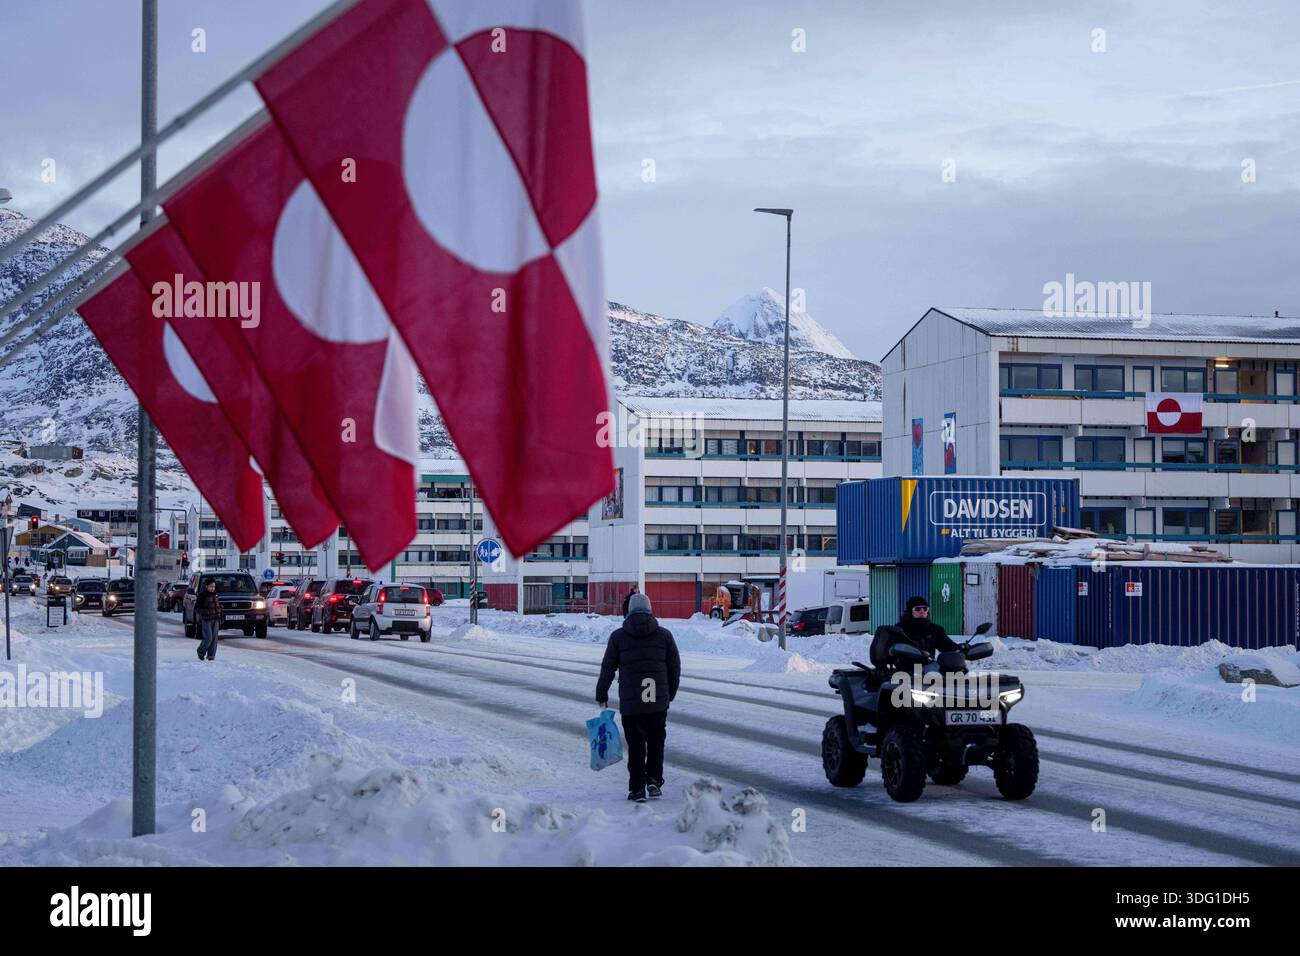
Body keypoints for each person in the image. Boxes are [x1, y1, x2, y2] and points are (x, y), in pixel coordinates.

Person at [596, 593, 680, 803]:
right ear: (650, 610)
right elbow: (674, 668)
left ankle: (637, 789)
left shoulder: (618, 637)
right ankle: (653, 780)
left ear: (629, 611)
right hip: (657, 702)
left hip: (632, 704)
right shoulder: (664, 635)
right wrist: (670, 694)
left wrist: (601, 693)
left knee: (635, 746)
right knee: (656, 742)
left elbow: (608, 667)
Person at [195, 578, 222, 661]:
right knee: (208, 638)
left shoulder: (216, 595)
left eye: (214, 586)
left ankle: (211, 656)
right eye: (211, 586)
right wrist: (205, 612)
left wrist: (221, 615)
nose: (213, 588)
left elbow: (218, 607)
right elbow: (197, 608)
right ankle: (201, 651)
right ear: (206, 586)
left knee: (214, 639)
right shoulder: (202, 595)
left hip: (215, 619)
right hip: (206, 620)